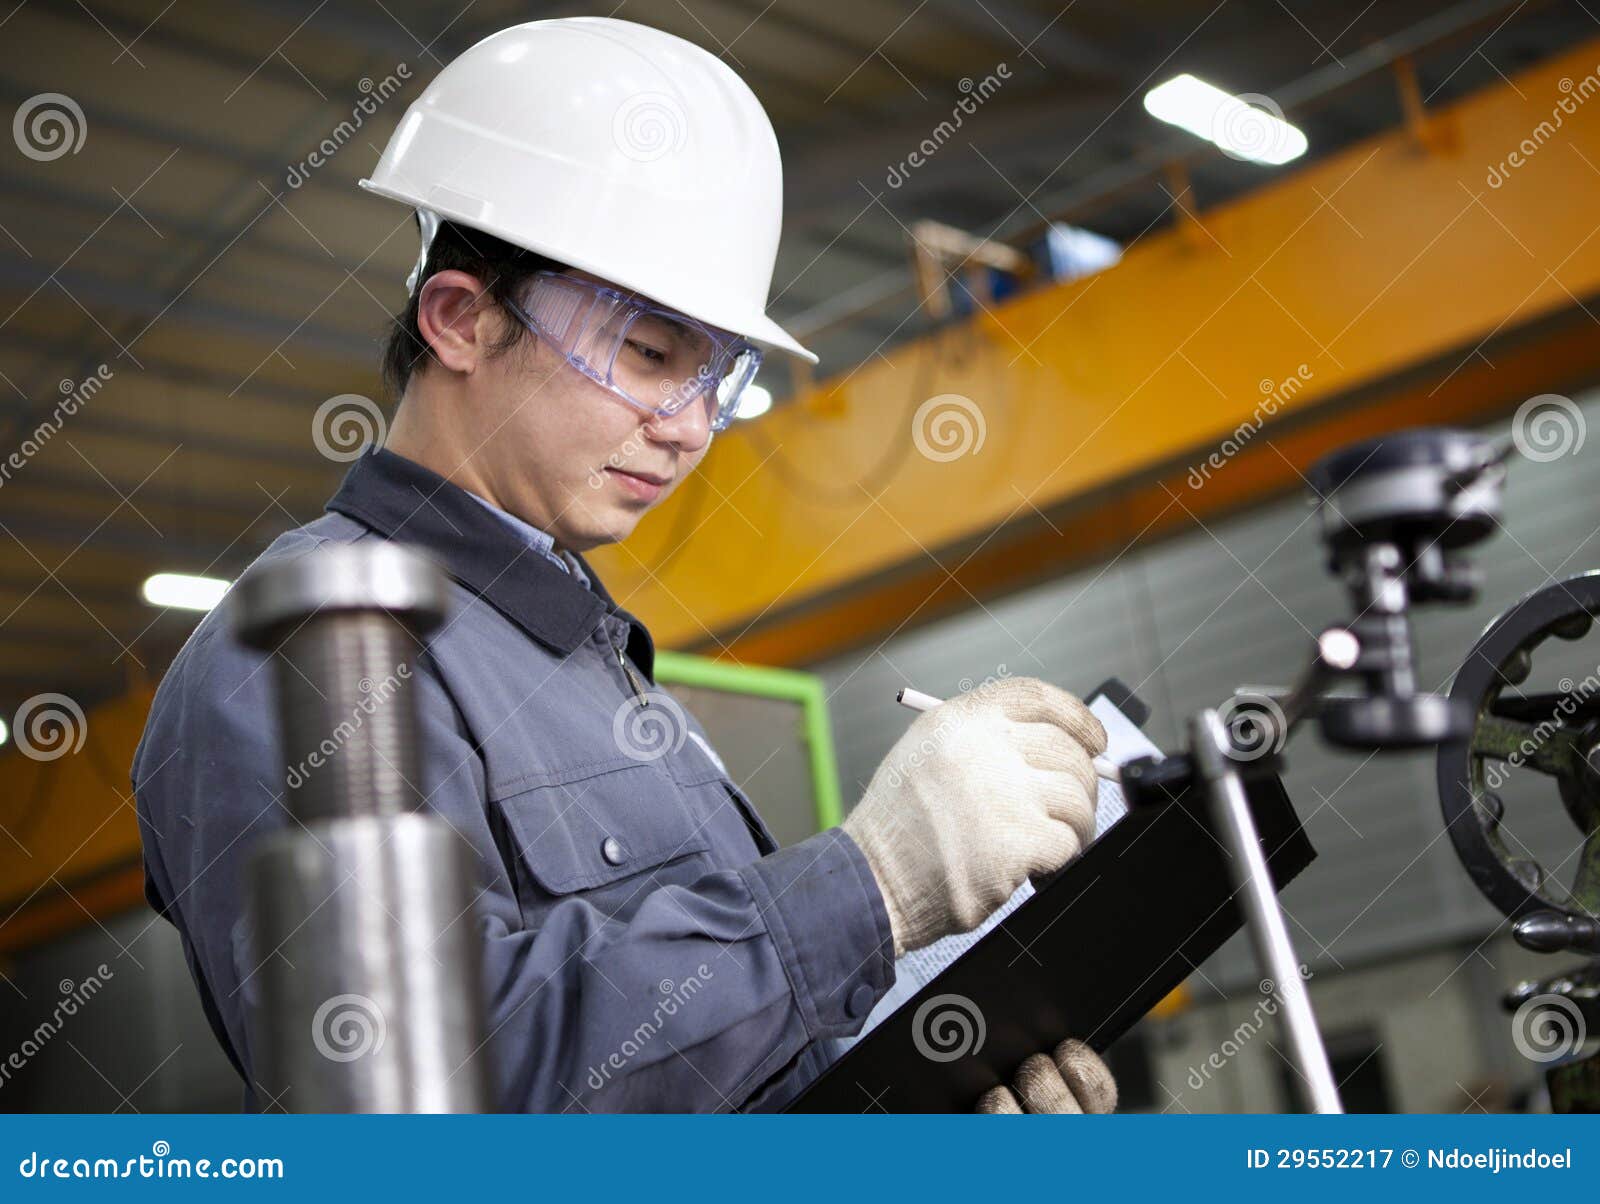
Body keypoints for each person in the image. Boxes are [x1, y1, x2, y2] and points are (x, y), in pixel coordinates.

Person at [132, 16, 1114, 1115]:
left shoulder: (583, 657)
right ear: (458, 319)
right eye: (650, 353)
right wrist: (868, 887)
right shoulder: (309, 652)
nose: (690, 428)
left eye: (720, 377)